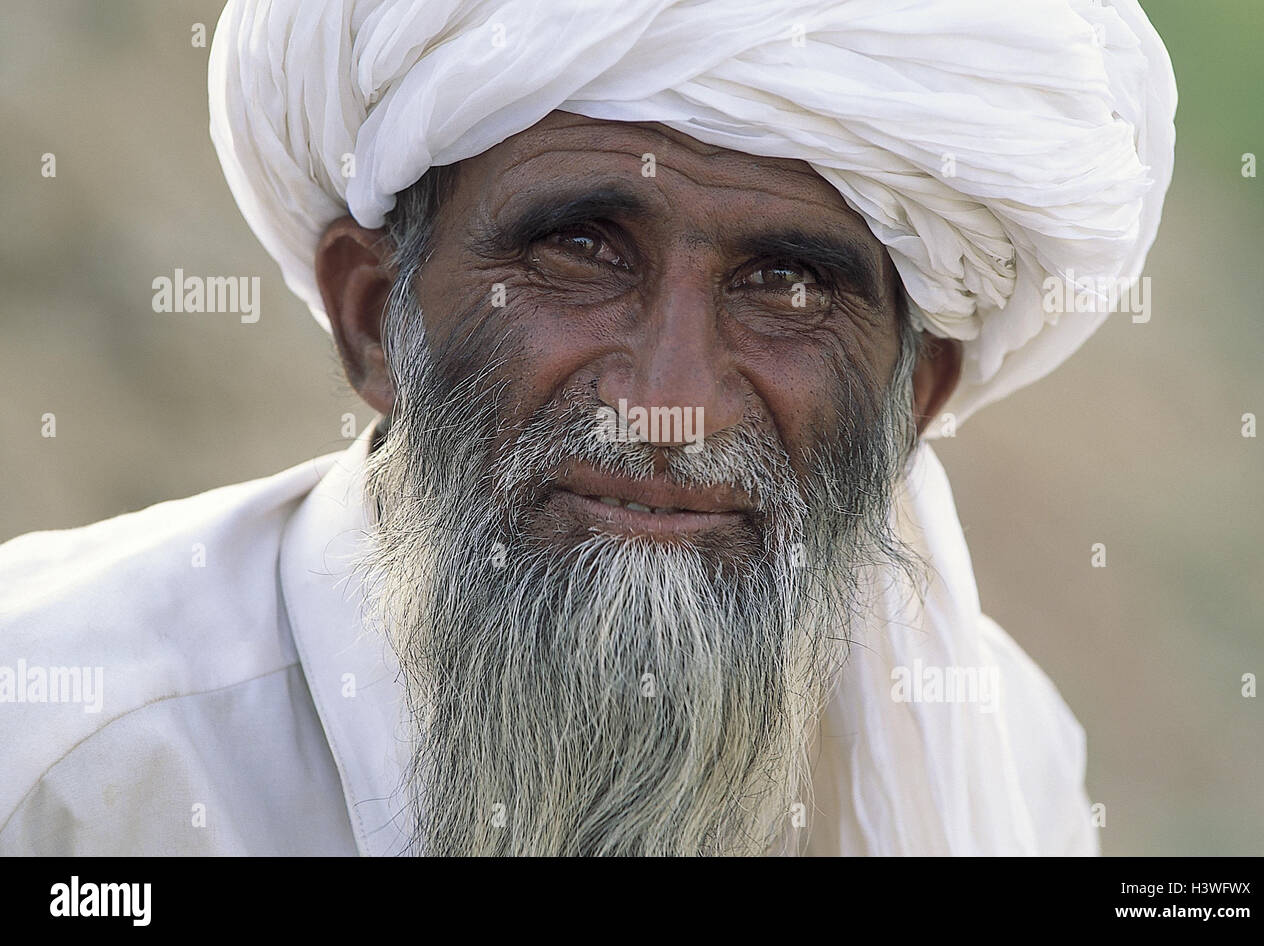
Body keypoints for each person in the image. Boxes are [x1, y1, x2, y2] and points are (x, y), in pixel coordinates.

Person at [0, 0, 1176, 856]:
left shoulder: (993, 755)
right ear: (373, 322)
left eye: (788, 286)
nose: (670, 401)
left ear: (910, 400)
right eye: (579, 251)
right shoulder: (56, 745)